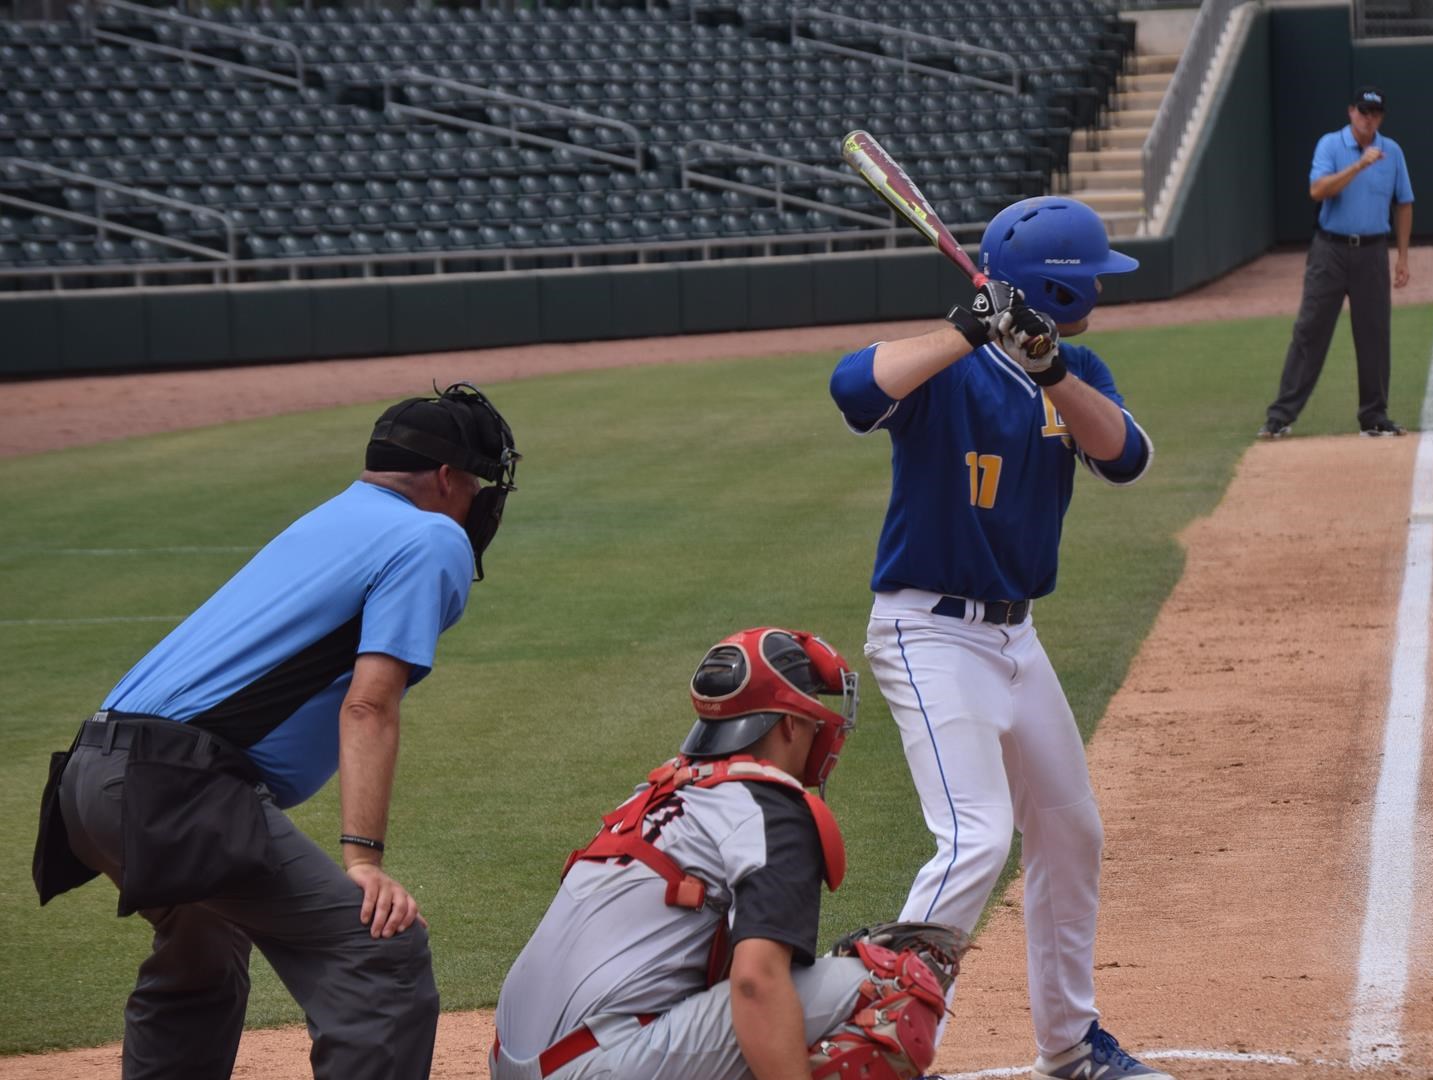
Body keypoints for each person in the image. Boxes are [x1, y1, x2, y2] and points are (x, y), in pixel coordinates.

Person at [31, 382, 521, 1080]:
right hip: (174, 788)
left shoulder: (339, 515)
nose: (477, 498)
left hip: (89, 775)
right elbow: (369, 705)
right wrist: (364, 862)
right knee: (379, 951)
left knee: (201, 955)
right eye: (475, 481)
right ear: (447, 479)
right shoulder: (430, 533)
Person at [828, 195, 1173, 1080]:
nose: (1102, 287)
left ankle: (1068, 1046)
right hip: (926, 633)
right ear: (1055, 284)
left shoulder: (1078, 365)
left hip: (1017, 643)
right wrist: (966, 330)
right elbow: (853, 389)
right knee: (976, 836)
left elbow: (1126, 457)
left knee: (1069, 833)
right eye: (1090, 275)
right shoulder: (948, 370)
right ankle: (873, 1048)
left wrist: (1052, 366)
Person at [490, 627, 965, 1080]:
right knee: (894, 982)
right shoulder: (770, 808)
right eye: (815, 715)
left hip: (516, 1062)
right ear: (789, 725)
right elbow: (756, 983)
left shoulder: (657, 793)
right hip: (602, 1064)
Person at [1259, 85, 1415, 440]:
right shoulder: (1330, 145)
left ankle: (1374, 416)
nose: (1368, 118)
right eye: (1363, 112)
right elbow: (1318, 190)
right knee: (1310, 330)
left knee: (1374, 334)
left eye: (1374, 113)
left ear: (1381, 117)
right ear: (1351, 112)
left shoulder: (1392, 152)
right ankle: (1280, 416)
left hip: (1373, 251)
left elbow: (1404, 203)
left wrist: (1403, 257)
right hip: (1330, 250)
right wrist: (1359, 165)